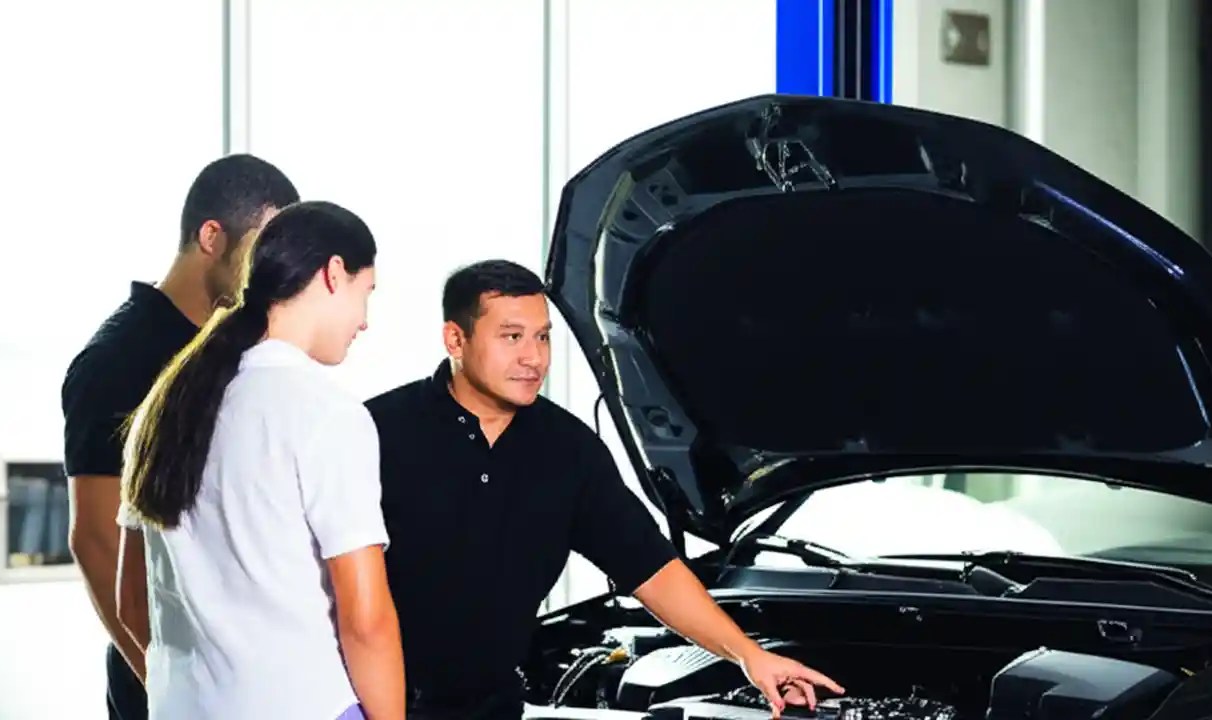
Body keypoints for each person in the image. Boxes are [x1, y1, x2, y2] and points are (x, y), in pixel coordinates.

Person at [365, 260, 844, 720]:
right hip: (362, 706)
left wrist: (749, 657)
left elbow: (652, 570)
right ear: (456, 338)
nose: (534, 358)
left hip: (495, 710)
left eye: (543, 337)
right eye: (512, 337)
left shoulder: (568, 451)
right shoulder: (374, 433)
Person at [114, 200, 405, 719]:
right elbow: (366, 622)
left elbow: (130, 603)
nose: (365, 321)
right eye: (368, 293)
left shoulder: (163, 411)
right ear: (334, 274)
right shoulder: (325, 412)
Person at [61, 153, 299, 720]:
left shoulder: (231, 346)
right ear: (212, 236)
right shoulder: (118, 359)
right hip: (170, 685)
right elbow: (95, 538)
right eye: (260, 248)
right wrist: (165, 689)